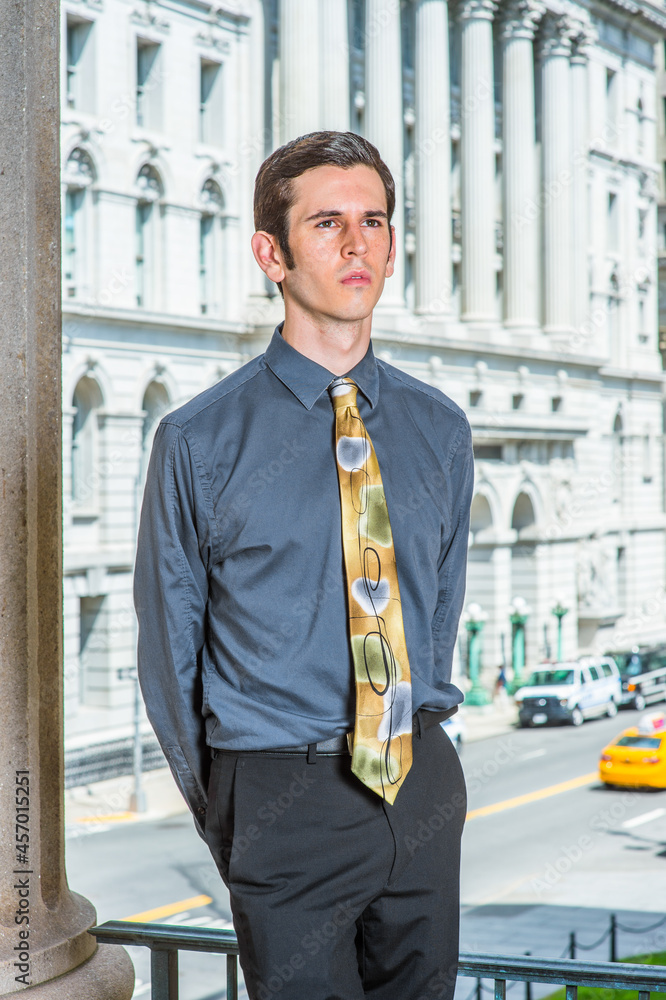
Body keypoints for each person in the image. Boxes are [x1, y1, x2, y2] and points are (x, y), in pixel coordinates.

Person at [134, 130, 474, 1000]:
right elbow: (170, 662)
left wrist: (422, 741)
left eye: (375, 221)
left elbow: (436, 614)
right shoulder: (198, 440)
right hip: (282, 792)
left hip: (421, 778)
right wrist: (239, 814)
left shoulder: (439, 429)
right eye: (327, 223)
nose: (358, 244)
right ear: (271, 253)